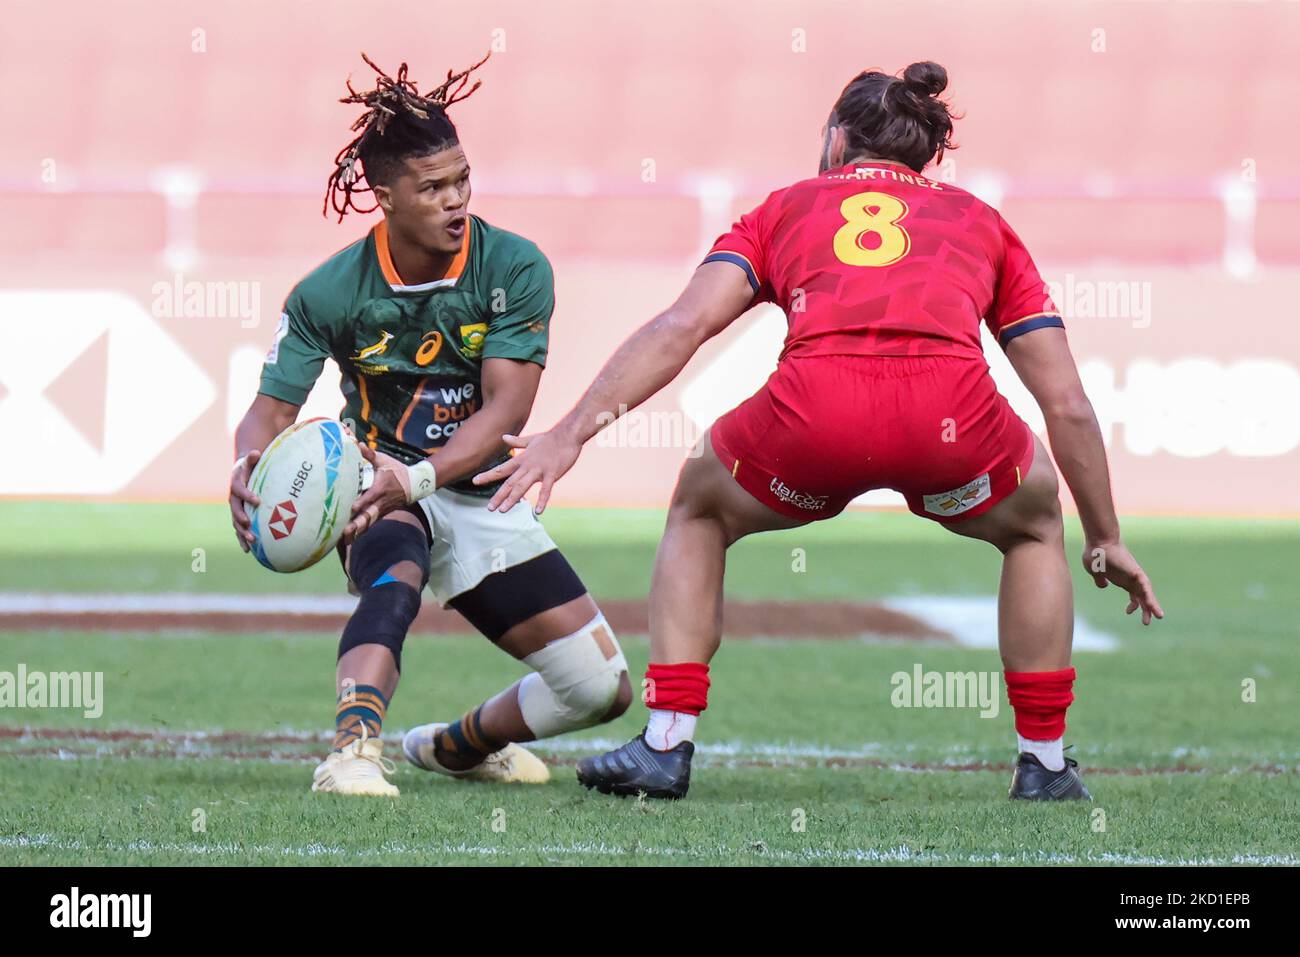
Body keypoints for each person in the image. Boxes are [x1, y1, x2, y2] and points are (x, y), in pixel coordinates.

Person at [474, 61, 1163, 801]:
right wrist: (1105, 535)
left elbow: (683, 327)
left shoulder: (785, 208)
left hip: (811, 418)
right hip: (950, 421)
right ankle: (1046, 763)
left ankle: (667, 742)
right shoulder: (982, 221)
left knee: (698, 505)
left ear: (838, 141)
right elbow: (1067, 404)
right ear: (926, 156)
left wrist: (571, 433)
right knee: (1032, 525)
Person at [228, 53, 631, 797]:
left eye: (463, 180)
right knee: (396, 574)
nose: (456, 200)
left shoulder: (513, 267)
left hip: (476, 493)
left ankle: (454, 746)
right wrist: (249, 462)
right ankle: (351, 751)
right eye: (433, 187)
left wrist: (416, 474)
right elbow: (270, 409)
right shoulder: (329, 291)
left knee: (600, 689)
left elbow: (508, 411)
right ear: (385, 196)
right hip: (377, 486)